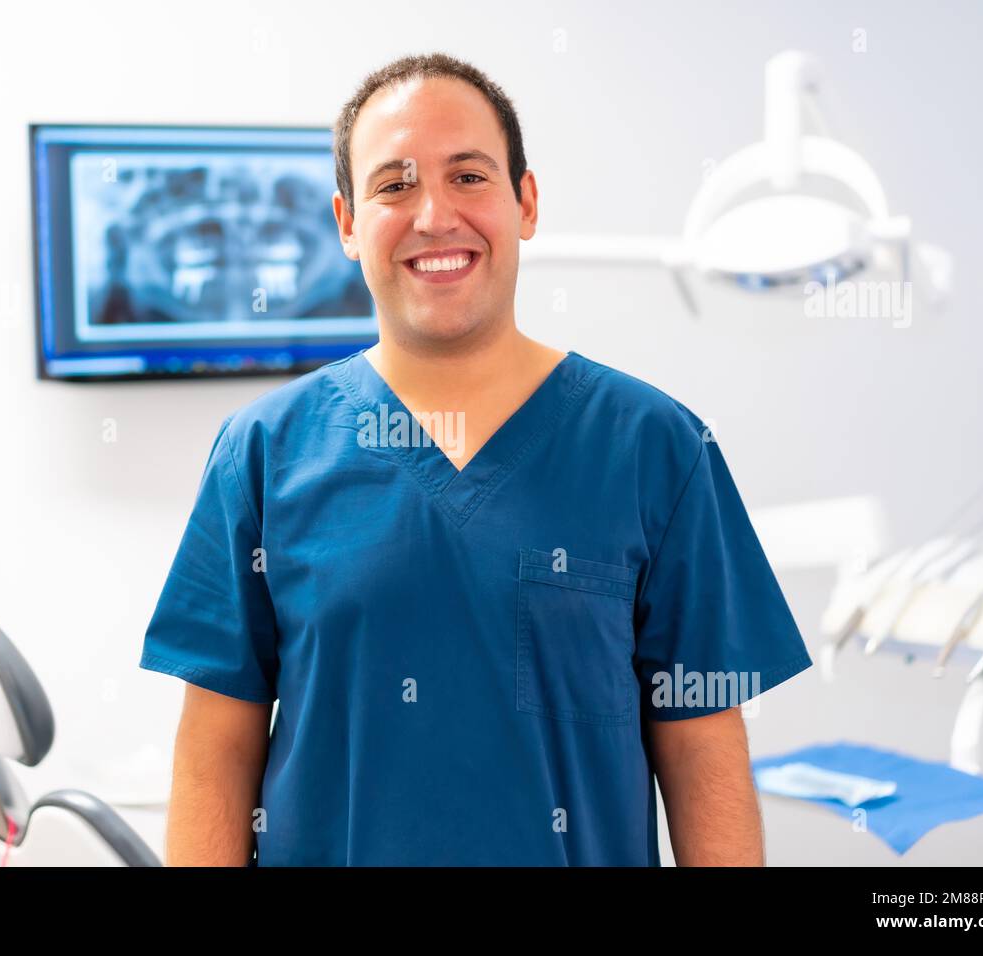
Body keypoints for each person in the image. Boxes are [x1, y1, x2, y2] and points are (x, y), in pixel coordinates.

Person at [140, 52, 812, 866]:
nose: (433, 215)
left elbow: (704, 751)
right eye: (394, 184)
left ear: (525, 203)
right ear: (348, 223)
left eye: (468, 176)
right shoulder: (263, 453)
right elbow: (215, 749)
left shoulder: (655, 447)